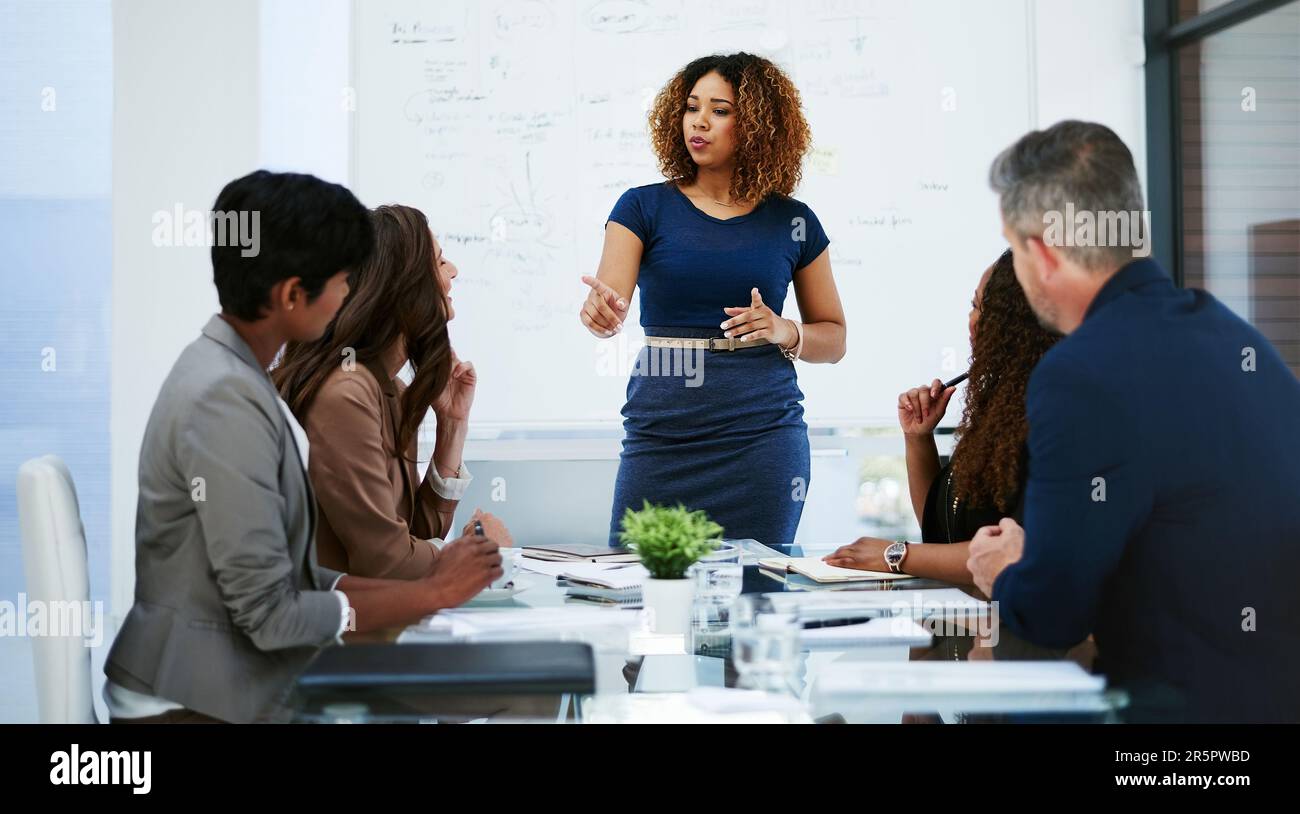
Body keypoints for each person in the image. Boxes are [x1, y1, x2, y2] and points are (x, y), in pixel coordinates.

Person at [104, 172, 502, 724]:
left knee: (504, 688)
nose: (352, 292)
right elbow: (272, 614)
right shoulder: (225, 399)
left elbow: (295, 577)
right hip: (192, 700)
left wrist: (440, 582)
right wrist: (436, 590)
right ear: (292, 295)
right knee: (503, 693)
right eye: (343, 277)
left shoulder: (237, 376)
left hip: (227, 678)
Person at [966, 121, 1300, 723]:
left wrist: (1006, 569)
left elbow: (1051, 612)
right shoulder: (1235, 337)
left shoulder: (1081, 374)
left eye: (1014, 250)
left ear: (1041, 253)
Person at [580, 52, 847, 548]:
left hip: (763, 438)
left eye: (720, 110)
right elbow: (608, 299)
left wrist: (783, 330)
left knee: (755, 601)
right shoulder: (642, 207)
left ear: (757, 125)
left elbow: (834, 339)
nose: (699, 121)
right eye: (691, 107)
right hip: (661, 435)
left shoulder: (796, 221)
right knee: (642, 595)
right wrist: (602, 314)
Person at [275, 204, 513, 579]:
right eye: (439, 261)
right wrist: (469, 556)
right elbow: (389, 562)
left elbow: (416, 535)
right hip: (336, 628)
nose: (453, 271)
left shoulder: (392, 391)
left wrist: (452, 426)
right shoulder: (346, 394)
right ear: (405, 285)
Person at [824, 250, 1059, 584]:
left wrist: (896, 555)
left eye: (983, 308)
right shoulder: (1002, 405)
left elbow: (1014, 553)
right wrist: (918, 438)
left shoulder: (1053, 414)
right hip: (964, 618)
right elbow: (942, 528)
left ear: (1020, 324)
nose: (972, 320)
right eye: (973, 306)